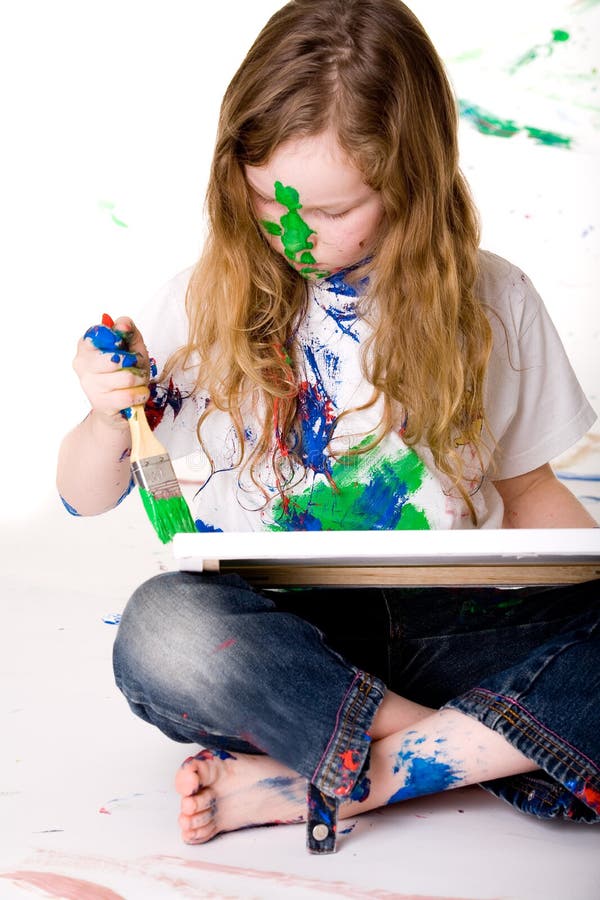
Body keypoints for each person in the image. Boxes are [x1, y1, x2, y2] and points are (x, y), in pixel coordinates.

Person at [57, 0, 600, 852]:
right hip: (285, 648)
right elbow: (85, 496)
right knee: (163, 633)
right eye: (267, 202)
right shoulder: (201, 302)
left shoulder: (495, 300)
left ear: (412, 182)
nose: (293, 237)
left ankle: (346, 774)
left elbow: (528, 492)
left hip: (455, 628)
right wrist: (104, 418)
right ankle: (477, 744)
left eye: (330, 212)